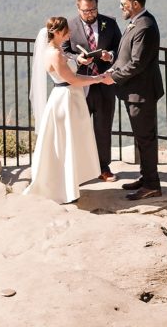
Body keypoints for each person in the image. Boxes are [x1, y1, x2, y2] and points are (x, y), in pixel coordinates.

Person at [24, 16, 113, 204]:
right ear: (56, 33)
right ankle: (63, 188)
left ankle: (69, 183)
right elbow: (72, 80)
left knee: (70, 141)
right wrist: (98, 79)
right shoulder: (54, 54)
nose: (69, 33)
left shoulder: (57, 50)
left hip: (71, 97)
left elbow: (70, 71)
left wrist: (80, 62)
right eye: (66, 31)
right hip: (65, 99)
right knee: (65, 142)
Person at [108, 0, 164, 201]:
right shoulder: (137, 22)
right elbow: (127, 56)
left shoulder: (145, 26)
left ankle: (152, 184)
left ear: (135, 5)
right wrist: (112, 66)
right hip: (134, 91)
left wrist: (113, 77)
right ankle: (145, 176)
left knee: (146, 138)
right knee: (141, 138)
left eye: (123, 4)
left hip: (141, 93)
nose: (121, 8)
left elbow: (137, 63)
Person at [62, 0, 122, 182]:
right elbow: (63, 51)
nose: (90, 14)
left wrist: (109, 56)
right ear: (78, 8)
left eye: (93, 10)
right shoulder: (69, 25)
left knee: (103, 126)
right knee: (78, 126)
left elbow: (120, 48)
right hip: (80, 83)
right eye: (86, 11)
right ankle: (78, 168)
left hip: (104, 82)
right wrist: (77, 58)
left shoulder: (110, 23)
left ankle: (103, 167)